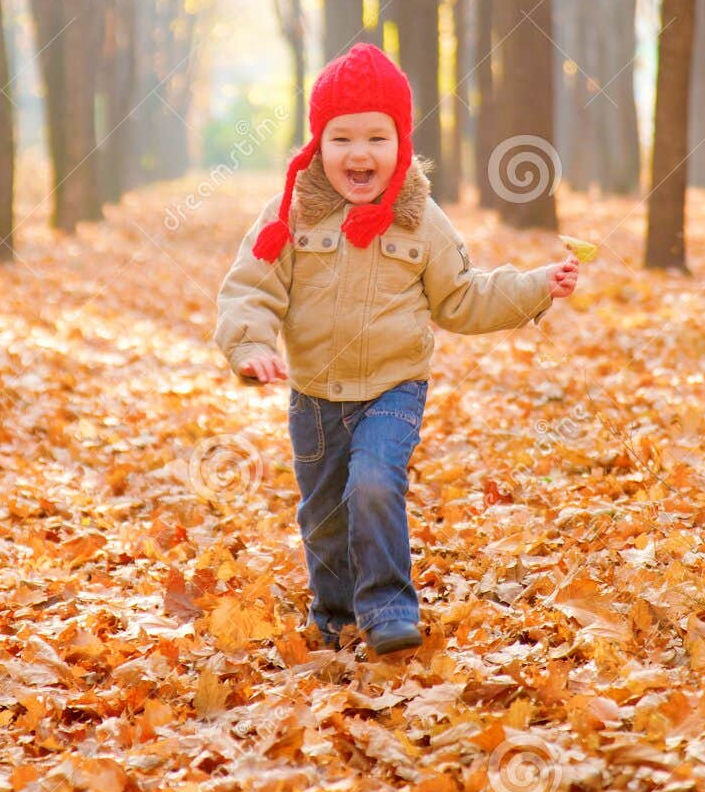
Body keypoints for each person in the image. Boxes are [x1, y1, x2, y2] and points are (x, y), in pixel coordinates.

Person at [214, 43, 580, 657]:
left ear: (401, 144)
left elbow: (463, 296)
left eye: (377, 139)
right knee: (325, 514)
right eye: (342, 139)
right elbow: (251, 286)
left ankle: (387, 609)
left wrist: (535, 285)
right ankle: (333, 616)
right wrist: (250, 347)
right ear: (317, 144)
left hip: (393, 387)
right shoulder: (292, 215)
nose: (360, 154)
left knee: (376, 484)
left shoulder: (421, 221)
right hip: (315, 396)